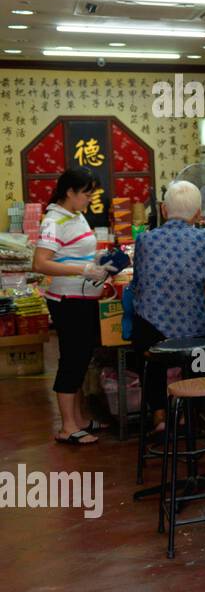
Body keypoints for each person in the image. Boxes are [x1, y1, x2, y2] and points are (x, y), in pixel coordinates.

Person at [129, 180, 205, 433]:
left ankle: (159, 414)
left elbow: (138, 283)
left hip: (152, 336)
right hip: (193, 337)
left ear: (164, 210)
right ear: (198, 214)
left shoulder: (144, 240)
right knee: (201, 356)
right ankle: (190, 410)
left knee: (153, 360)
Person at [32, 168, 107, 445]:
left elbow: (75, 252)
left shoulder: (74, 215)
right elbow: (40, 263)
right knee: (72, 360)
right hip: (68, 301)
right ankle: (67, 427)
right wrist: (83, 269)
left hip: (83, 298)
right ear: (70, 193)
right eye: (86, 194)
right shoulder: (53, 220)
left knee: (81, 357)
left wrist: (97, 260)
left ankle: (79, 420)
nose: (90, 199)